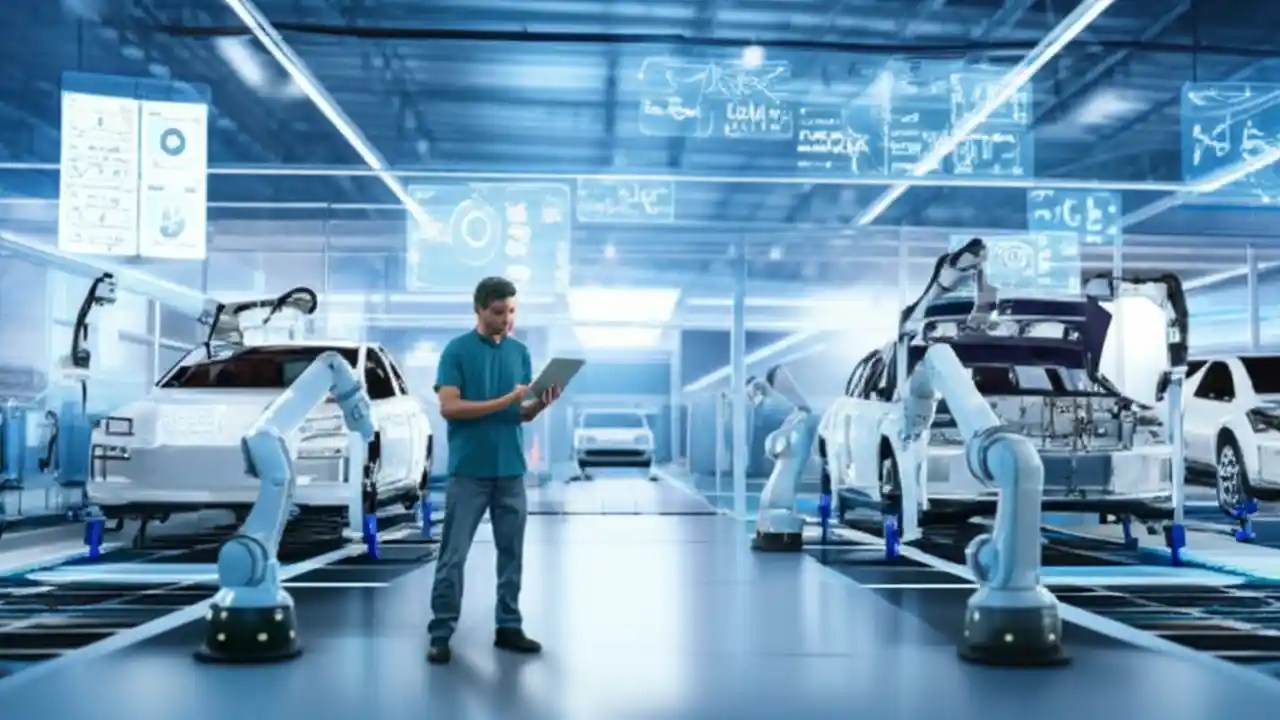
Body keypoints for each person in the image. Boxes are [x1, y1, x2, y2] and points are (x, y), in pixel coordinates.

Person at [427, 276, 560, 665]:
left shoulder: (520, 353)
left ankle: (508, 627)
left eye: (512, 311)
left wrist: (540, 404)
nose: (507, 319)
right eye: (499, 312)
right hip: (469, 472)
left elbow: (519, 414)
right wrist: (506, 399)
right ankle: (440, 633)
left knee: (512, 554)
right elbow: (450, 408)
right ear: (480, 310)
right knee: (453, 556)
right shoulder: (456, 352)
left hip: (511, 472)